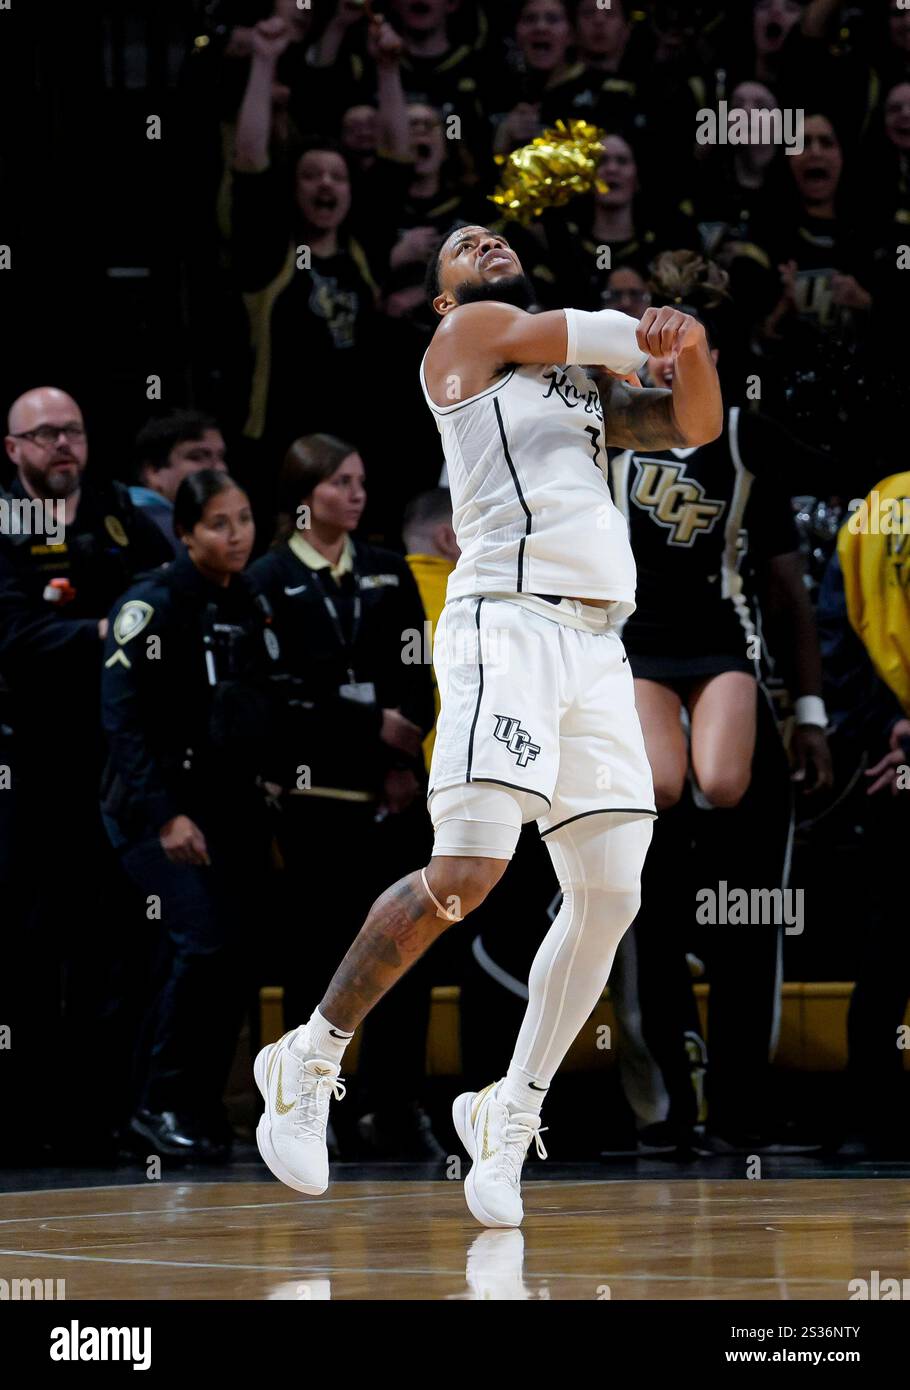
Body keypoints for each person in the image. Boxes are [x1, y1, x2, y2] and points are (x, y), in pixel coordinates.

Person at [253, 221, 723, 1226]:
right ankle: (308, 1056)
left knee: (607, 895)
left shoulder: (575, 378)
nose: (486, 240)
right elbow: (596, 332)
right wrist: (647, 328)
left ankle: (508, 1111)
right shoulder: (467, 340)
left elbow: (692, 425)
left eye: (498, 235)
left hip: (599, 645)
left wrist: (694, 346)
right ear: (440, 296)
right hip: (504, 623)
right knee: (466, 875)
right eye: (465, 242)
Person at [607, 251, 833, 1150]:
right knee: (659, 799)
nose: (665, 363)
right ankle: (663, 1109)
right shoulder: (612, 435)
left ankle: (743, 1105)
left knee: (727, 791)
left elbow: (788, 590)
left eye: (680, 346)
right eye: (652, 350)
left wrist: (809, 712)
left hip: (723, 647)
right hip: (637, 653)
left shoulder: (745, 437)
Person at [247, 434, 440, 1158]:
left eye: (361, 481)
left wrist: (406, 749)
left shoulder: (388, 571)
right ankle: (308, 1106)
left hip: (391, 797)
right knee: (319, 955)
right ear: (305, 496)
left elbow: (416, 672)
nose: (356, 494)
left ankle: (395, 1105)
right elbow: (282, 695)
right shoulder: (267, 578)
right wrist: (369, 727)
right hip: (315, 797)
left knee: (404, 953)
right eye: (341, 482)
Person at [0, 386, 172, 1164]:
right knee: (31, 945)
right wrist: (102, 628)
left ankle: (104, 1116)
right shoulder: (12, 516)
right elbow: (16, 632)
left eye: (71, 430)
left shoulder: (115, 511)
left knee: (116, 942)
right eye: (43, 435)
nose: (61, 446)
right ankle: (27, 1116)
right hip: (29, 763)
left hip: (114, 760)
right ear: (14, 449)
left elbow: (160, 598)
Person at [101, 470, 285, 1162]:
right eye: (217, 523)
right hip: (158, 813)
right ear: (185, 532)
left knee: (235, 954)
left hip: (231, 807)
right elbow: (122, 723)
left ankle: (200, 1104)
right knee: (201, 944)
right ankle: (157, 1104)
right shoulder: (153, 604)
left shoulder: (251, 598)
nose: (236, 535)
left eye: (243, 519)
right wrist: (165, 817)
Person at [130, 409, 228, 550]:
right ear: (153, 472)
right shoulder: (157, 528)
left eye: (221, 457)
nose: (219, 468)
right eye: (197, 457)